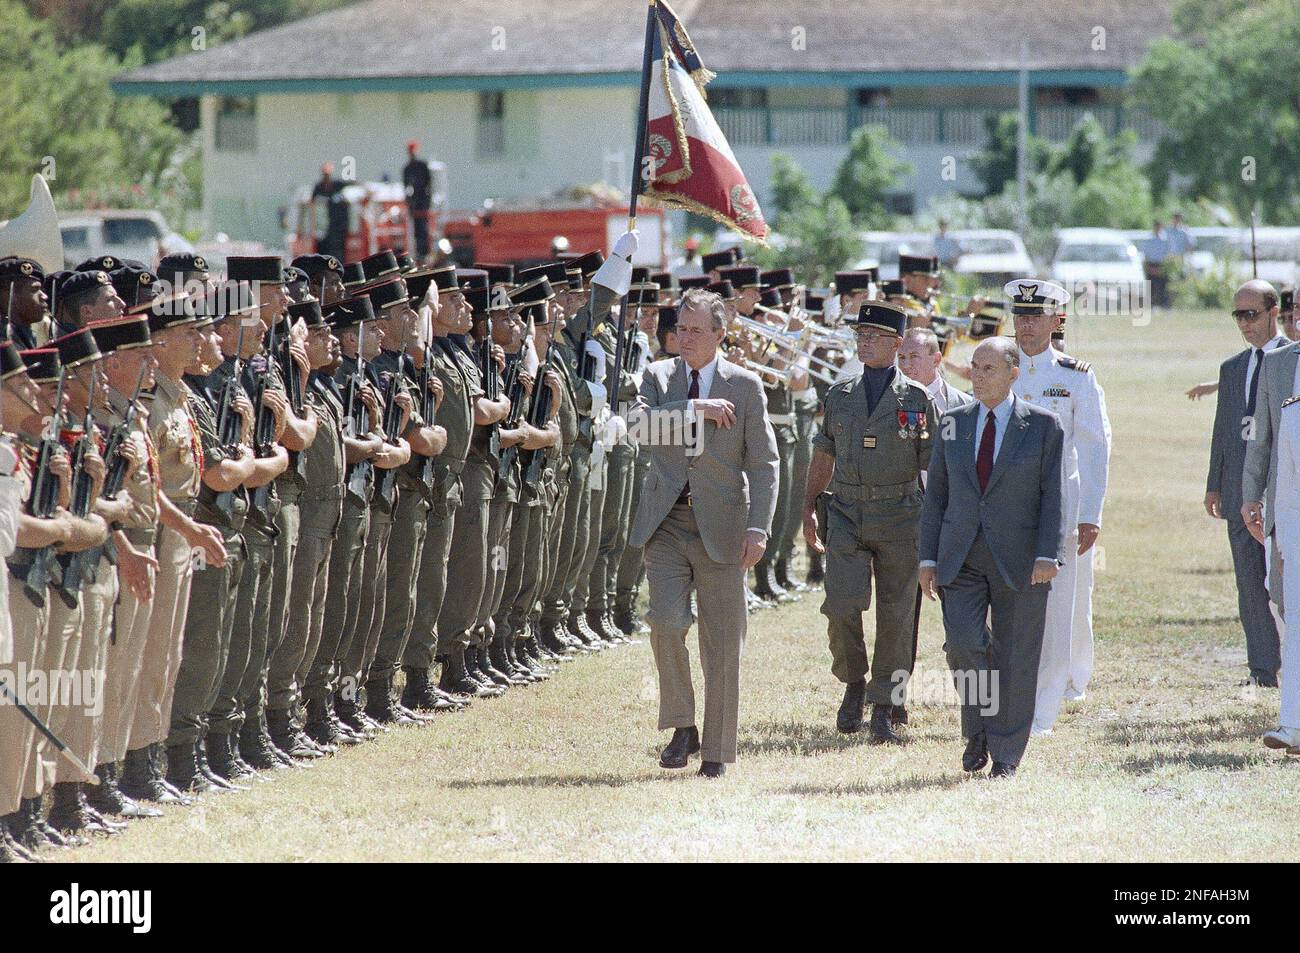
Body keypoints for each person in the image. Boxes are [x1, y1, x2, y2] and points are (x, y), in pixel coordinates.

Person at [626, 285, 779, 777]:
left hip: (724, 527)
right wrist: (695, 410)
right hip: (666, 521)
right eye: (680, 328)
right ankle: (681, 724)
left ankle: (716, 749)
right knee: (666, 622)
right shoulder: (656, 376)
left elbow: (765, 463)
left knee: (722, 640)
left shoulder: (746, 385)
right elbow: (637, 429)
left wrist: (758, 528)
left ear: (719, 334)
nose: (684, 337)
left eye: (695, 330)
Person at [919, 337, 1065, 777]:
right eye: (974, 368)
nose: (977, 376)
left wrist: (1047, 554)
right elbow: (937, 496)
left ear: (1013, 373)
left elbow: (1052, 497)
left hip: (1020, 559)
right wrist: (928, 559)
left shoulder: (1043, 426)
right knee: (965, 643)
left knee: (1016, 655)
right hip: (959, 557)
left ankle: (1005, 752)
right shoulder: (952, 422)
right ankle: (978, 727)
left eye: (987, 368)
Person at [802, 301, 936, 743]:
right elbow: (824, 452)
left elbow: (933, 469)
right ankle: (854, 681)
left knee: (897, 614)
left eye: (874, 336)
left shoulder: (916, 400)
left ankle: (884, 703)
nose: (865, 342)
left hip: (901, 515)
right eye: (860, 335)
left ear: (897, 344)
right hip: (845, 513)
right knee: (841, 605)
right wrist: (807, 507)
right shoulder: (839, 395)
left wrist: (937, 528)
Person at [1005, 279, 1112, 732]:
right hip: (1008, 509)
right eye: (1021, 316)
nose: (1027, 326)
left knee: (1059, 604)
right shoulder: (996, 368)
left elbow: (1094, 446)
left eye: (1036, 317)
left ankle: (1045, 708)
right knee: (1008, 605)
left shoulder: (1075, 376)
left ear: (1056, 321)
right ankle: (1010, 698)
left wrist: (1090, 513)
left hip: (1060, 510)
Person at [1217, 281, 1287, 685]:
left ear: (1273, 312)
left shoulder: (1290, 360)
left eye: (1252, 314)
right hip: (1238, 493)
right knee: (1248, 583)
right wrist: (1216, 484)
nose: (1244, 323)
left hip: (1281, 489)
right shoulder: (1232, 368)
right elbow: (1224, 431)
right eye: (1238, 316)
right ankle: (1262, 668)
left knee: (1281, 582)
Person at [402, 141, 434, 261]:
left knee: (424, 229)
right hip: (415, 203)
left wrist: (428, 201)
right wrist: (409, 203)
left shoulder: (422, 166)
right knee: (416, 230)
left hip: (423, 201)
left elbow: (429, 184)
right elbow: (405, 187)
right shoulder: (407, 168)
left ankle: (425, 253)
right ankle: (419, 253)